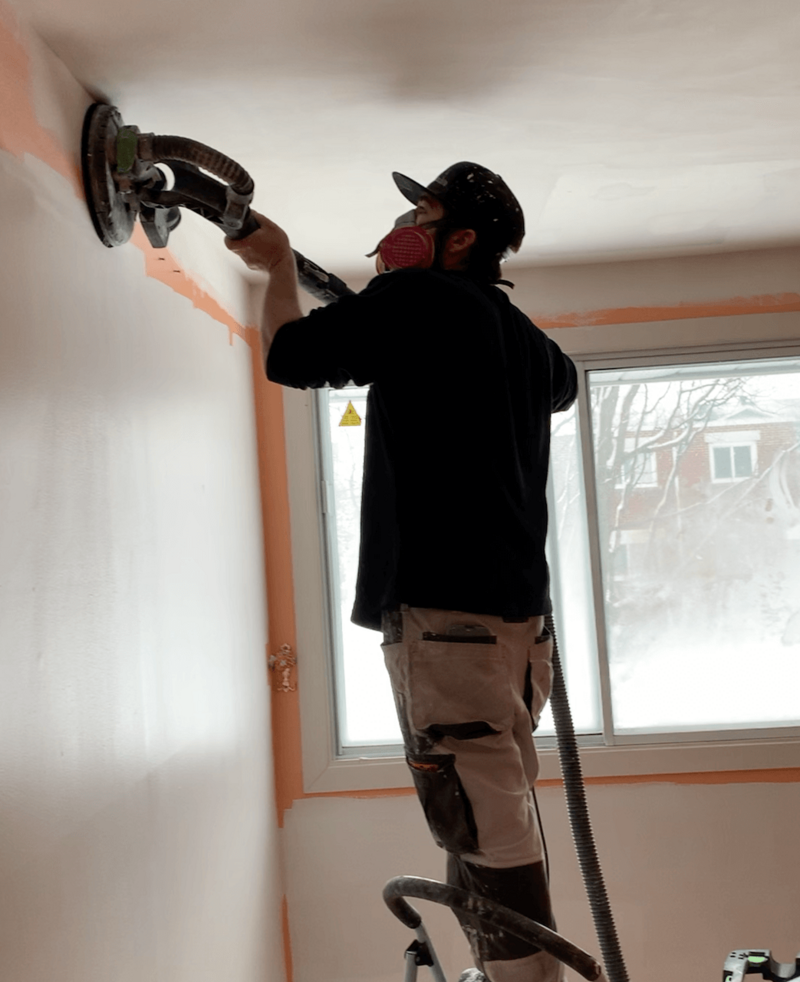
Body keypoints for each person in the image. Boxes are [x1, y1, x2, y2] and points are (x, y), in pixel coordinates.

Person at [226, 162, 578, 982]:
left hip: (449, 619)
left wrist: (276, 264)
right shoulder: (526, 338)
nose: (405, 226)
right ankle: (509, 969)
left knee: (483, 815)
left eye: (424, 213)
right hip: (520, 632)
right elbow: (559, 387)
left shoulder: (420, 301)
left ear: (460, 239)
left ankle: (527, 979)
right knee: (494, 802)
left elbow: (291, 356)